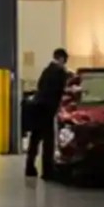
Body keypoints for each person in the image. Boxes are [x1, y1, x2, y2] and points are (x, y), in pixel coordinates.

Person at [26, 47, 69, 179]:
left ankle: (30, 167)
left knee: (35, 139)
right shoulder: (60, 72)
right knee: (48, 141)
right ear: (61, 59)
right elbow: (63, 91)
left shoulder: (46, 70)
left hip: (37, 107)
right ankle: (47, 171)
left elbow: (40, 87)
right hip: (47, 110)